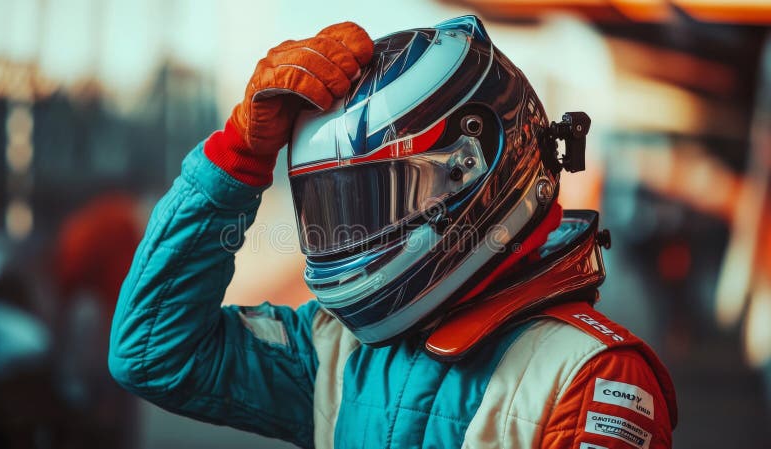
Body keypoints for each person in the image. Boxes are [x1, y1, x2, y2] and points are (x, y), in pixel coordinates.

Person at [109, 16, 677, 449]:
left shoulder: (592, 377)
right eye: (333, 205)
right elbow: (152, 353)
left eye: (378, 196)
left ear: (473, 163)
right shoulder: (332, 348)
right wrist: (238, 155)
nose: (352, 227)